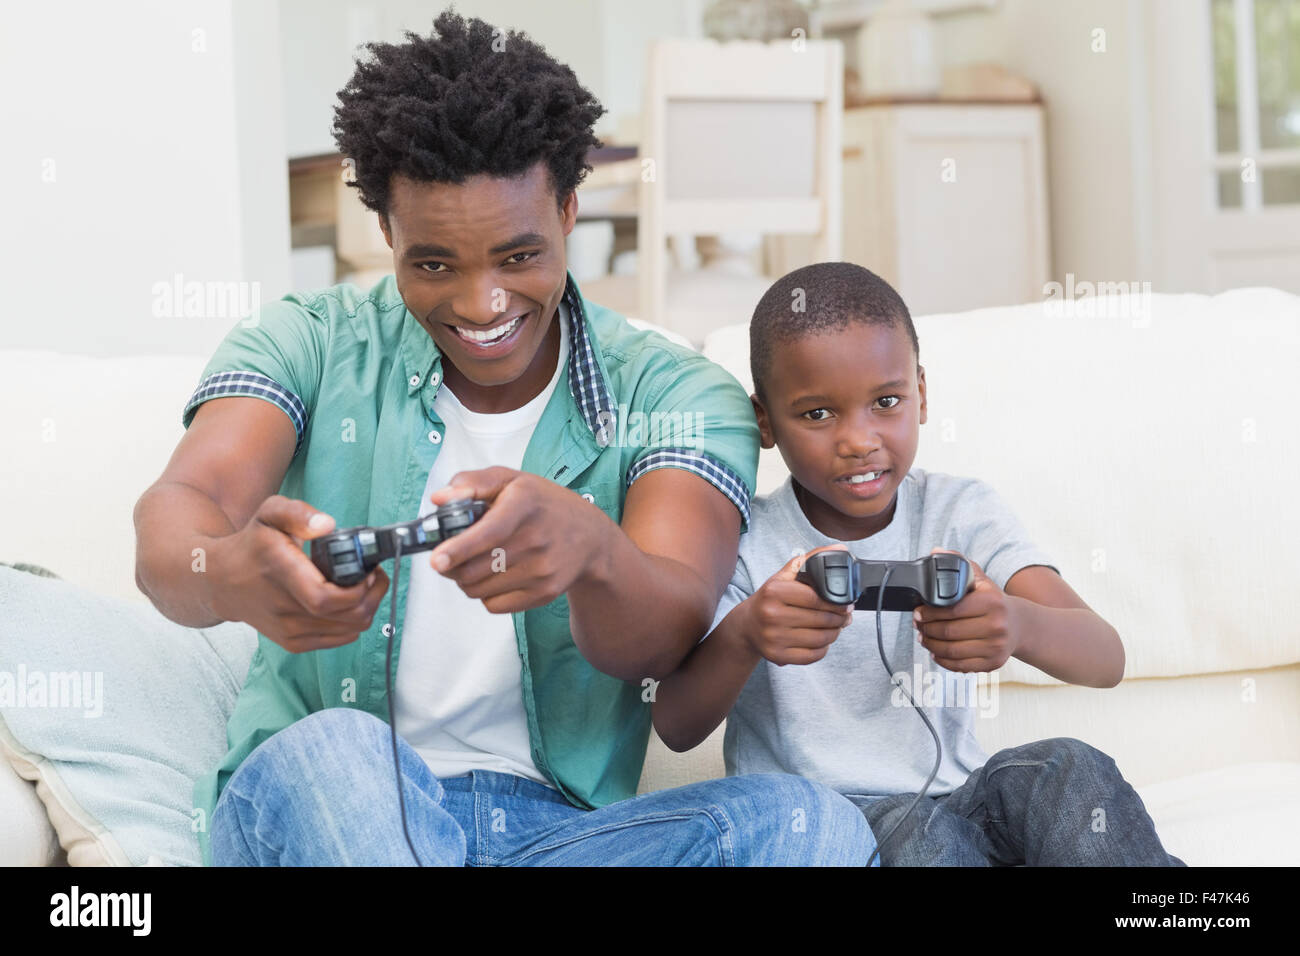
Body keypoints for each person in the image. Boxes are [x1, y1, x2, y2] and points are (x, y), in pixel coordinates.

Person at [132, 12, 874, 867]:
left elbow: (668, 638)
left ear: (567, 209)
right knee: (334, 749)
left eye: (519, 257)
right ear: (388, 234)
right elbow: (176, 525)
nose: (483, 306)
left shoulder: (676, 393)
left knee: (812, 826)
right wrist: (229, 571)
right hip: (336, 807)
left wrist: (595, 554)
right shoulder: (306, 342)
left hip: (560, 836)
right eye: (435, 264)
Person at [651, 261, 1185, 866]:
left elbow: (1106, 659)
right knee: (927, 837)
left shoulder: (960, 510)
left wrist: (1016, 623)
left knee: (1069, 767)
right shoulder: (744, 539)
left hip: (964, 798)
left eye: (886, 401)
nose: (859, 439)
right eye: (817, 414)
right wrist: (747, 632)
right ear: (766, 421)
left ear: (922, 395)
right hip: (836, 822)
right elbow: (675, 725)